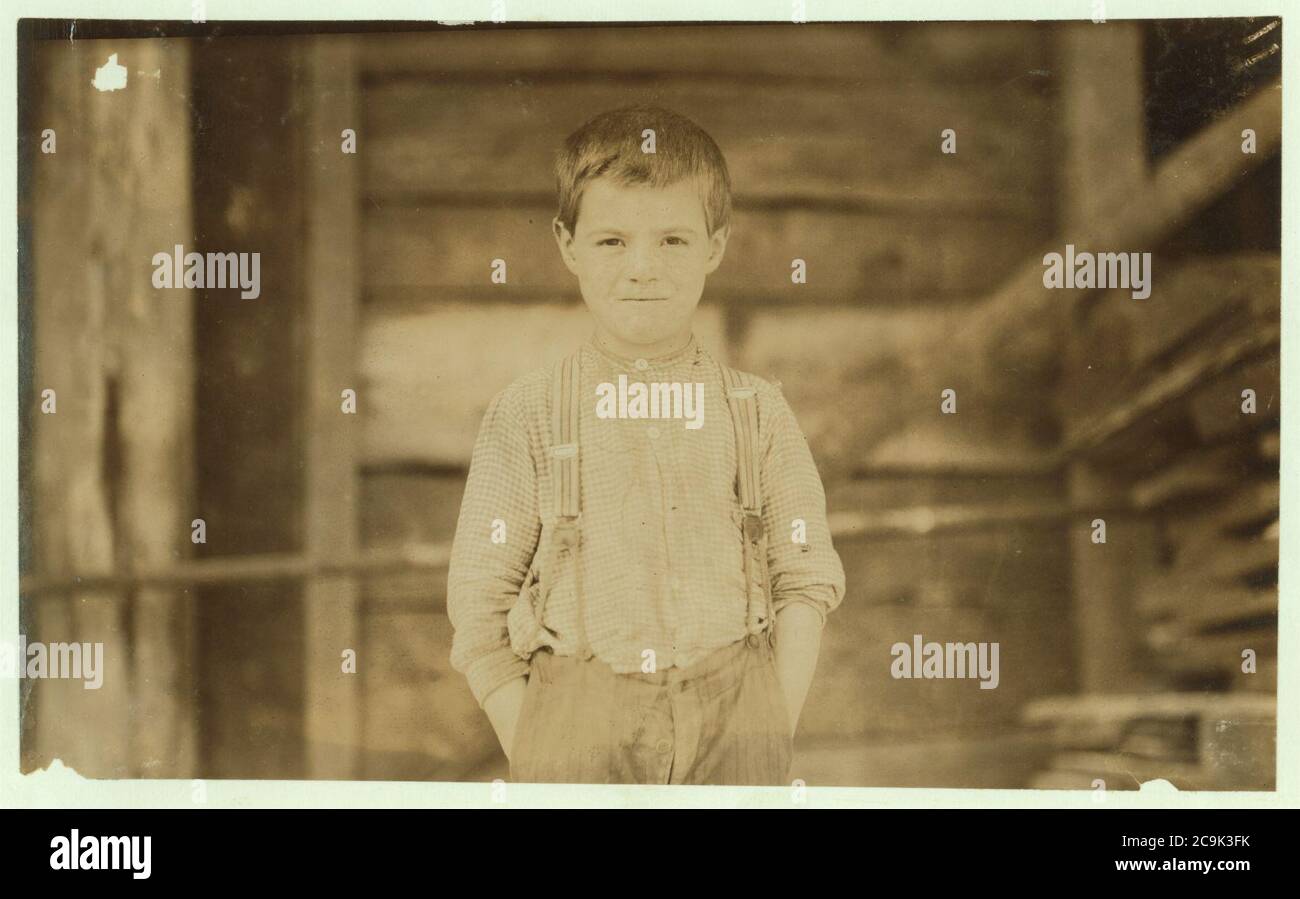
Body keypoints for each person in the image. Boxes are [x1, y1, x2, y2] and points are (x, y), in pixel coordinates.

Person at [447, 104, 845, 784]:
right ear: (567, 244)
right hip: (576, 732)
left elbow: (805, 580)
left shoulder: (758, 412)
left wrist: (769, 725)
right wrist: (541, 743)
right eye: (610, 242)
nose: (642, 269)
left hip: (736, 729)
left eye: (673, 241)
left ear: (716, 244)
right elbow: (478, 611)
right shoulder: (530, 414)